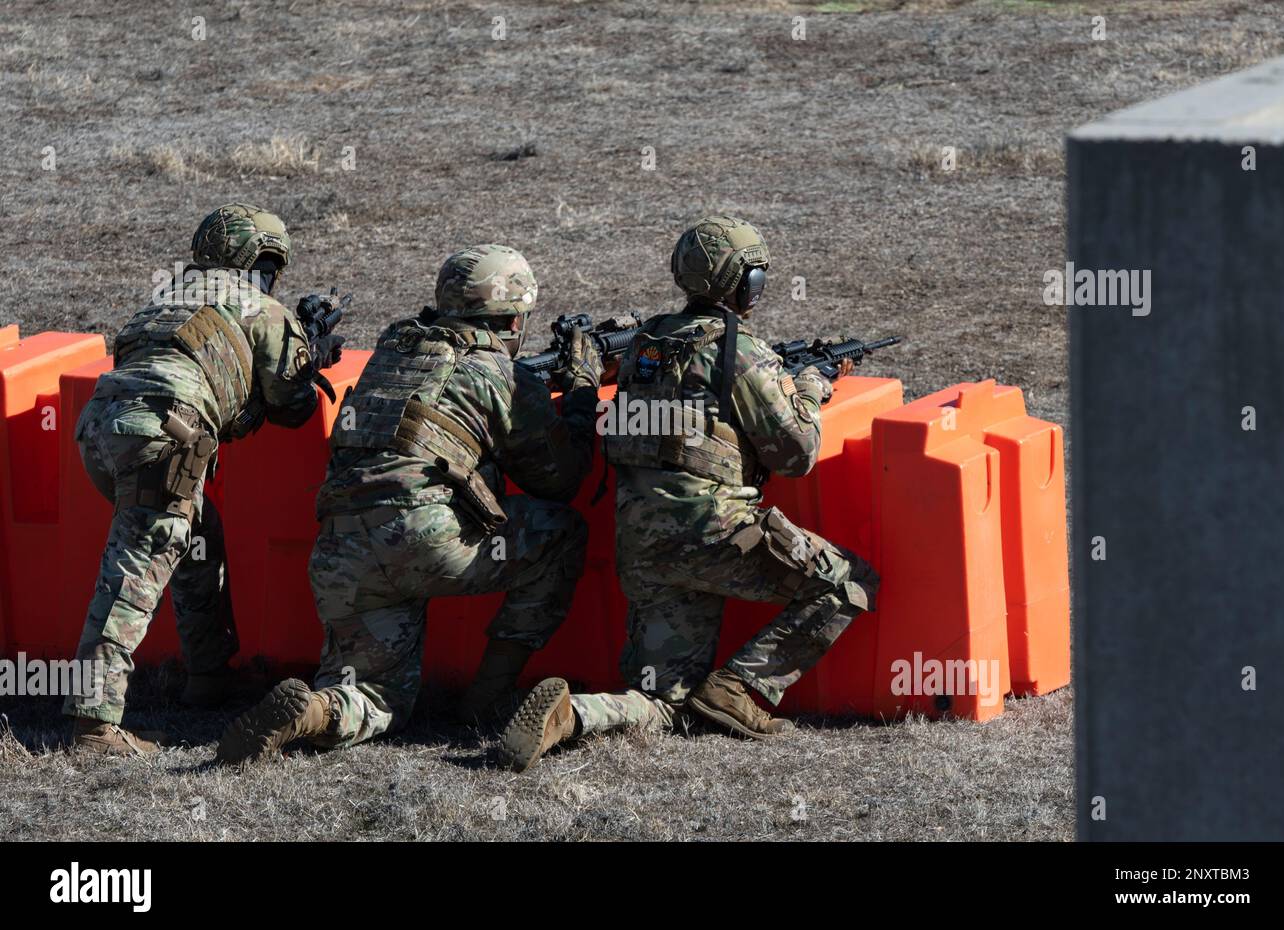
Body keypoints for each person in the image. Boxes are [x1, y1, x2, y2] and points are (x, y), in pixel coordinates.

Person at [500, 216, 879, 772]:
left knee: (664, 700)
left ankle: (574, 716)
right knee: (849, 584)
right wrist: (812, 387)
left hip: (644, 545)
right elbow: (796, 454)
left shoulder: (644, 343)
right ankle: (740, 687)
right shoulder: (740, 349)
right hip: (720, 536)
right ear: (743, 283)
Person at [216, 244, 602, 765]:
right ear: (513, 317)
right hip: (429, 543)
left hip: (341, 548)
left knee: (377, 697)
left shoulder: (390, 350)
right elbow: (559, 479)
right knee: (561, 532)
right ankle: (487, 699)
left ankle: (310, 711)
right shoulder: (502, 376)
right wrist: (580, 392)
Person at [67, 203, 343, 756]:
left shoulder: (166, 300)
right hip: (162, 431)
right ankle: (92, 722)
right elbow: (290, 411)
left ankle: (208, 677)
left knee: (197, 537)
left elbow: (219, 395)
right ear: (257, 260)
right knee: (135, 570)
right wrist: (307, 360)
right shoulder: (263, 309)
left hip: (98, 429)